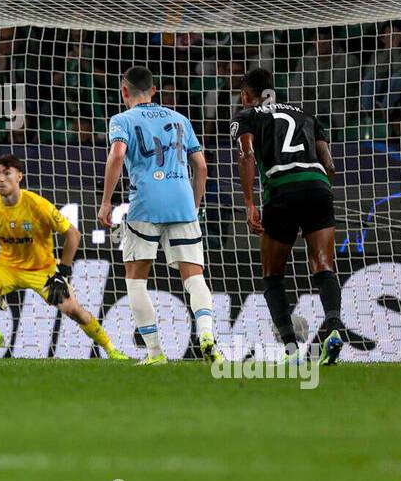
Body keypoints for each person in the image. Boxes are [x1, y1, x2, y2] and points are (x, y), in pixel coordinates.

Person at [97, 66, 217, 365]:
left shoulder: (122, 119)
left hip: (146, 204)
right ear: (154, 90)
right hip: (182, 204)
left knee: (136, 280)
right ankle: (206, 334)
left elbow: (117, 154)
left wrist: (106, 202)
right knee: (194, 276)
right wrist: (196, 205)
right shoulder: (179, 119)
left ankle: (154, 353)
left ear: (124, 91)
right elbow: (201, 167)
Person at [0, 153, 124, 360]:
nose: (1, 179)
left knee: (74, 311)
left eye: (7, 173)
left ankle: (111, 349)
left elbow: (73, 234)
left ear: (20, 176)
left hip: (43, 271)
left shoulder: (37, 205)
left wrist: (62, 271)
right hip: (7, 268)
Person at [233, 67, 345, 364]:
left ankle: (293, 350)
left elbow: (246, 155)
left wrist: (248, 202)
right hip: (318, 187)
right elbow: (329, 164)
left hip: (281, 191)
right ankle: (334, 328)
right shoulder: (305, 115)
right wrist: (319, 191)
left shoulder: (248, 116)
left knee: (272, 275)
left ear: (246, 96)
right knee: (323, 265)